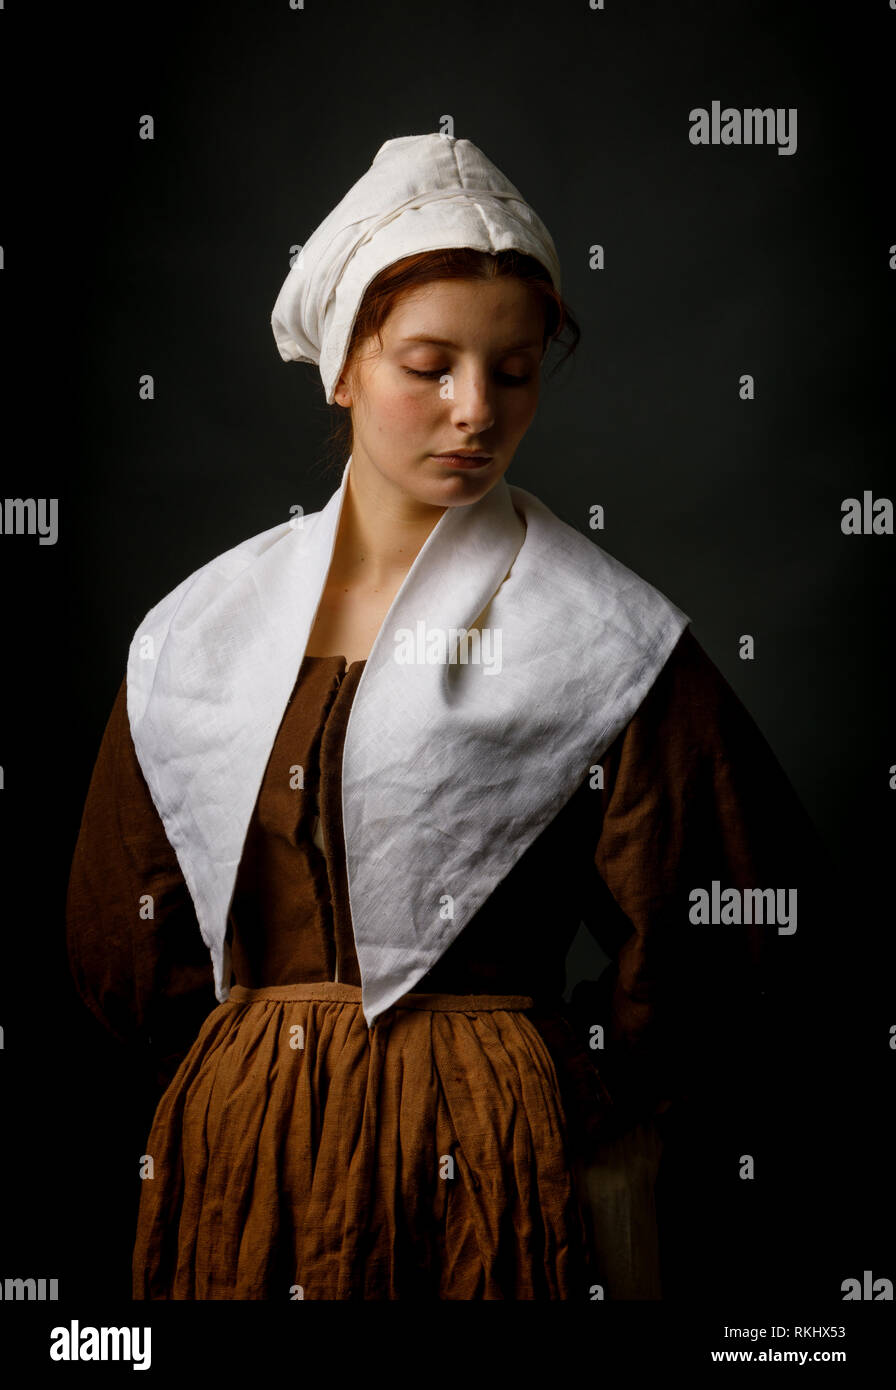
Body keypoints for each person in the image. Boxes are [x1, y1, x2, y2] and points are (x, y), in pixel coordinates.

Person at [66, 133, 827, 1300]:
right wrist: (245, 1080)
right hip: (246, 1157)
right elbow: (122, 939)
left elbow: (730, 916)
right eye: (430, 365)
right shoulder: (200, 629)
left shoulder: (601, 632)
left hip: (489, 1155)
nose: (474, 410)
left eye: (512, 371)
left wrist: (554, 1082)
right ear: (342, 369)